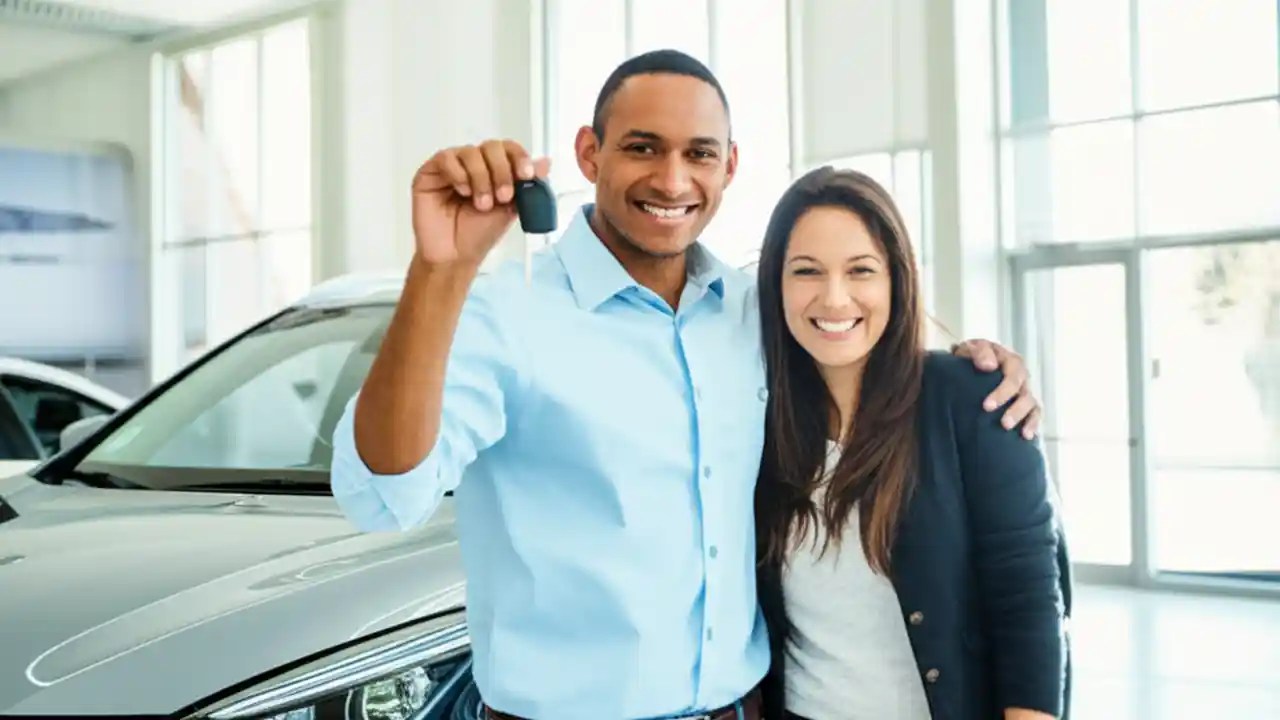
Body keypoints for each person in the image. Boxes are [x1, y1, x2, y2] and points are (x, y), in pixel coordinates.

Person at [330, 49, 1043, 720]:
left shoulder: (750, 313)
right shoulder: (504, 315)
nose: (672, 180)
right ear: (589, 153)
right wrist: (439, 272)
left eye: (698, 154)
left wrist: (968, 366)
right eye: (642, 147)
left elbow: (850, 336)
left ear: (729, 167)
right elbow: (383, 495)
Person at [751, 166, 1070, 720]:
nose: (834, 297)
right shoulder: (757, 417)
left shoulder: (973, 400)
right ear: (774, 284)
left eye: (861, 271)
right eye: (806, 271)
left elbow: (1028, 602)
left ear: (897, 280)